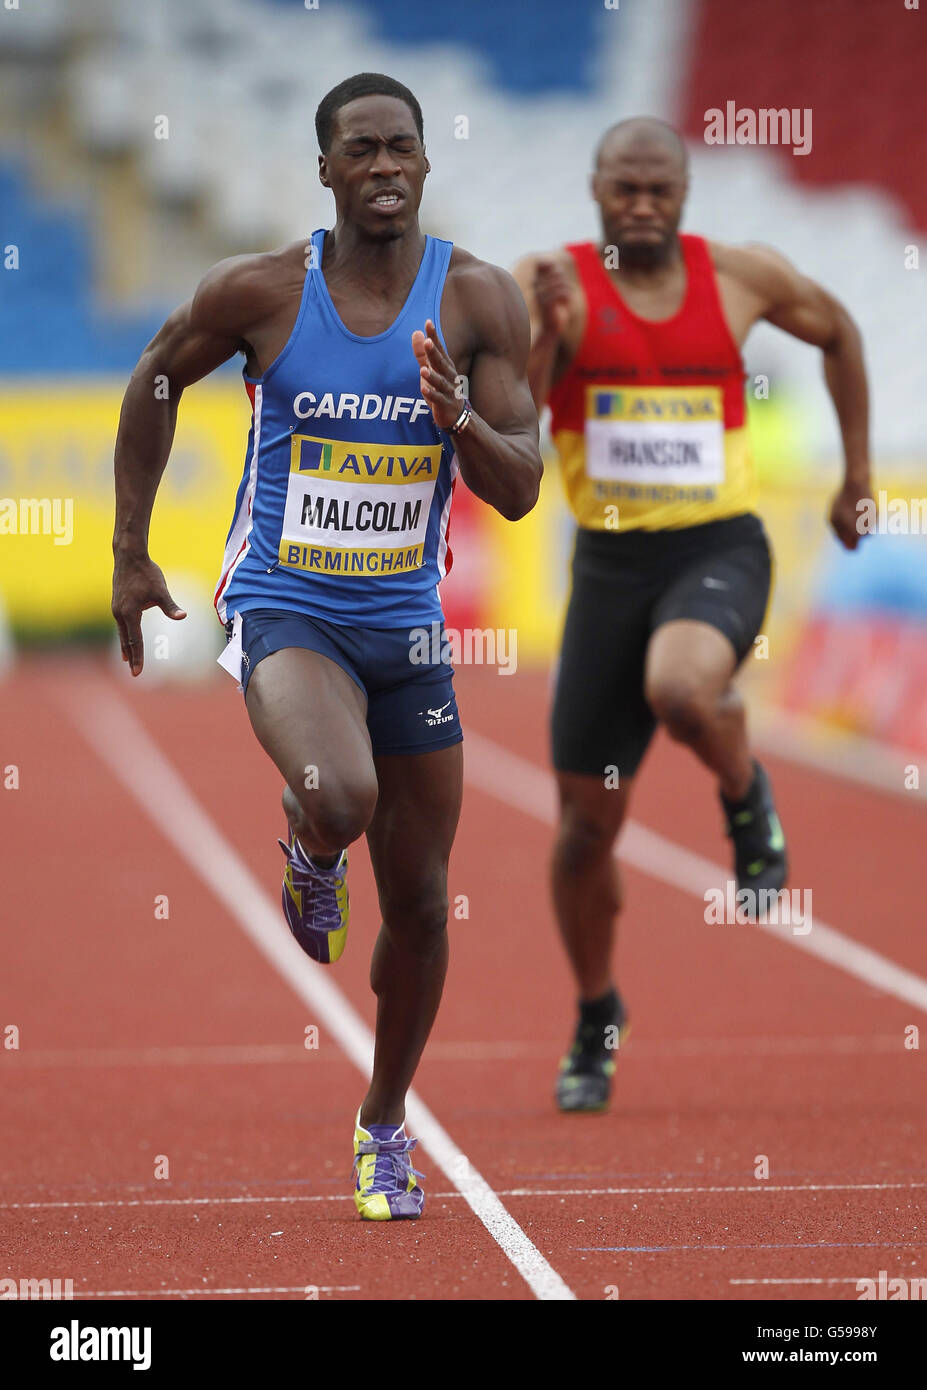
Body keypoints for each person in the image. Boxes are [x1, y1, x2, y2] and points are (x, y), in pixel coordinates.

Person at [111, 72, 542, 1216]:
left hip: (405, 629)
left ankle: (385, 1121)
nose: (386, 166)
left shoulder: (483, 304)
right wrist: (128, 550)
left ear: (425, 165)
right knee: (341, 792)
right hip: (286, 606)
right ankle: (312, 843)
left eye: (403, 147)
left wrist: (456, 416)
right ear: (326, 169)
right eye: (362, 150)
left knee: (420, 902)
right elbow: (154, 375)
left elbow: (524, 488)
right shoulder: (259, 291)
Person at [512, 117, 872, 1113]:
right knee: (586, 827)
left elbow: (840, 328)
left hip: (717, 546)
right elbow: (512, 428)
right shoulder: (552, 279)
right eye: (623, 188)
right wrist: (545, 334)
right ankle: (597, 1014)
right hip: (609, 567)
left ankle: (742, 783)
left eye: (658, 189)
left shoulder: (744, 278)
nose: (640, 205)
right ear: (594, 187)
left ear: (683, 193)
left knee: (679, 688)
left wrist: (858, 476)